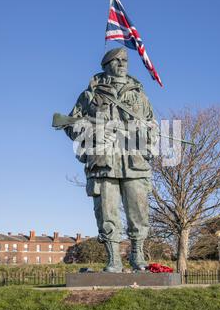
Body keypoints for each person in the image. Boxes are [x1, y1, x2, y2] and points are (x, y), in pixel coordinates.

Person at [63, 47, 157, 272]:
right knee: (106, 210)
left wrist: (144, 132)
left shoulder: (139, 95)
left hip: (134, 162)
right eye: (117, 61)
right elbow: (69, 123)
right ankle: (113, 259)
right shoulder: (90, 95)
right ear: (106, 66)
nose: (123, 64)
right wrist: (92, 132)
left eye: (125, 60)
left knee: (139, 210)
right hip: (103, 162)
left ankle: (137, 256)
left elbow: (152, 125)